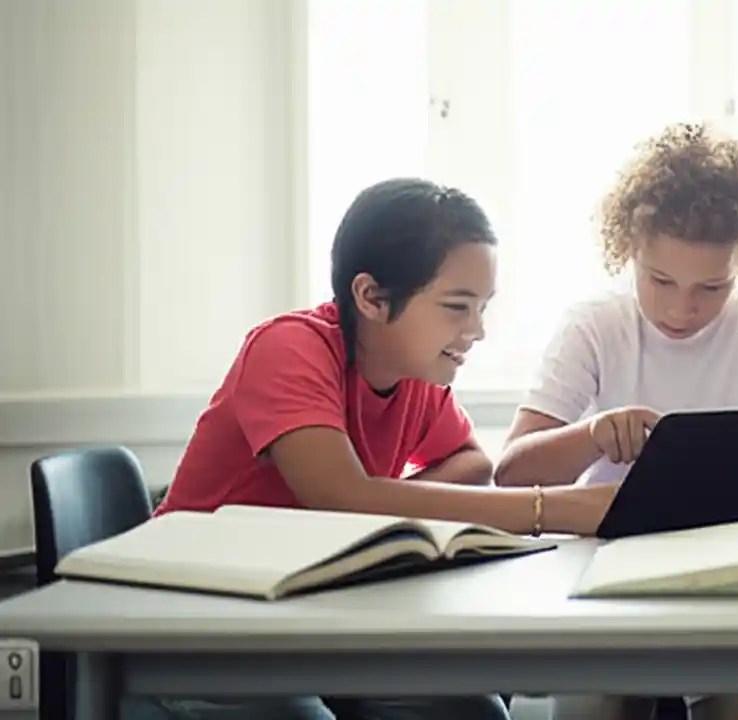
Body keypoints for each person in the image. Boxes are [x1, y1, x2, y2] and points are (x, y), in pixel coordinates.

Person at [132, 178, 618, 720]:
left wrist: (380, 512)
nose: (477, 330)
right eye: (457, 307)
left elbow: (471, 463)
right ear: (371, 297)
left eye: (483, 307)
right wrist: (549, 508)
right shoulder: (288, 348)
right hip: (200, 624)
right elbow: (336, 494)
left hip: (314, 616)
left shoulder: (419, 372)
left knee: (473, 710)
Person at [497, 122, 738, 720]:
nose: (680, 309)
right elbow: (510, 473)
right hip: (608, 570)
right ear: (630, 249)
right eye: (659, 280)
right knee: (592, 701)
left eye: (713, 287)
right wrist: (590, 436)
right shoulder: (595, 325)